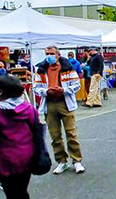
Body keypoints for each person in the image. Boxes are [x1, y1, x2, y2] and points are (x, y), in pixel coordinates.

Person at [34, 46, 85, 174]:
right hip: (49, 103)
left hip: (65, 102)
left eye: (51, 53)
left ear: (58, 55)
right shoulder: (41, 69)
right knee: (55, 135)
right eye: (47, 53)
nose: (49, 56)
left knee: (71, 133)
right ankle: (62, 161)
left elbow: (76, 84)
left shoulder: (67, 68)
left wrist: (63, 90)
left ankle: (77, 160)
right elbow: (36, 87)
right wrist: (46, 91)